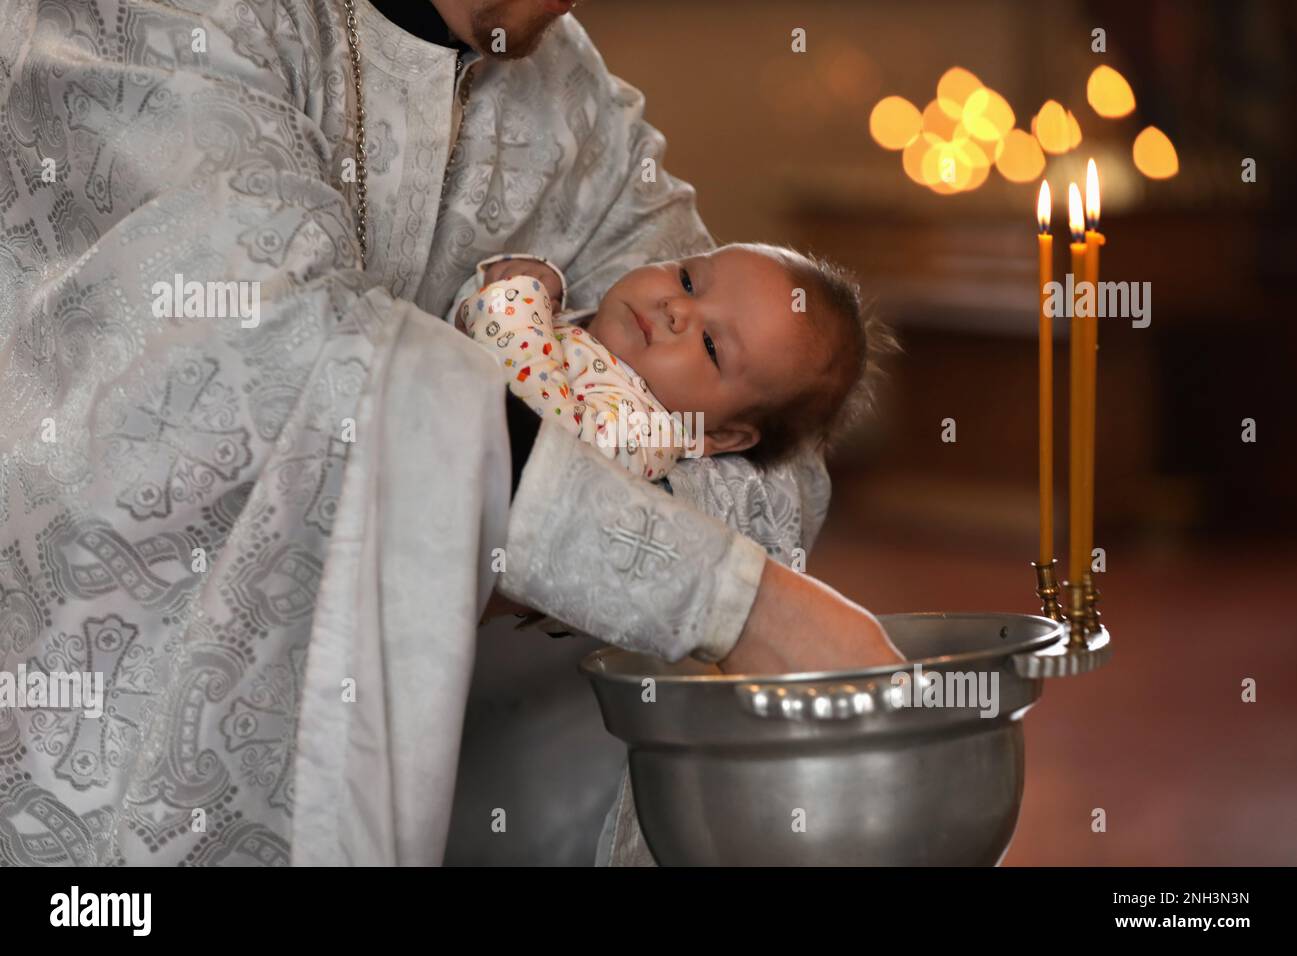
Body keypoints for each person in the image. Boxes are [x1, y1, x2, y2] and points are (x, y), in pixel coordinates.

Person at [0, 0, 899, 867]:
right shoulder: (173, 16)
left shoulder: (569, 87)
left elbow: (777, 454)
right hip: (125, 714)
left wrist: (518, 524)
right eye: (687, 288)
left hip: (481, 784)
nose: (672, 307)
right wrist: (725, 597)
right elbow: (286, 366)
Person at [455, 244, 892, 480]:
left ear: (719, 435)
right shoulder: (579, 327)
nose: (676, 310)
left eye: (710, 346)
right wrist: (525, 283)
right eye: (687, 279)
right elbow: (463, 333)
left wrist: (516, 298)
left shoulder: (644, 436)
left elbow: (545, 434)